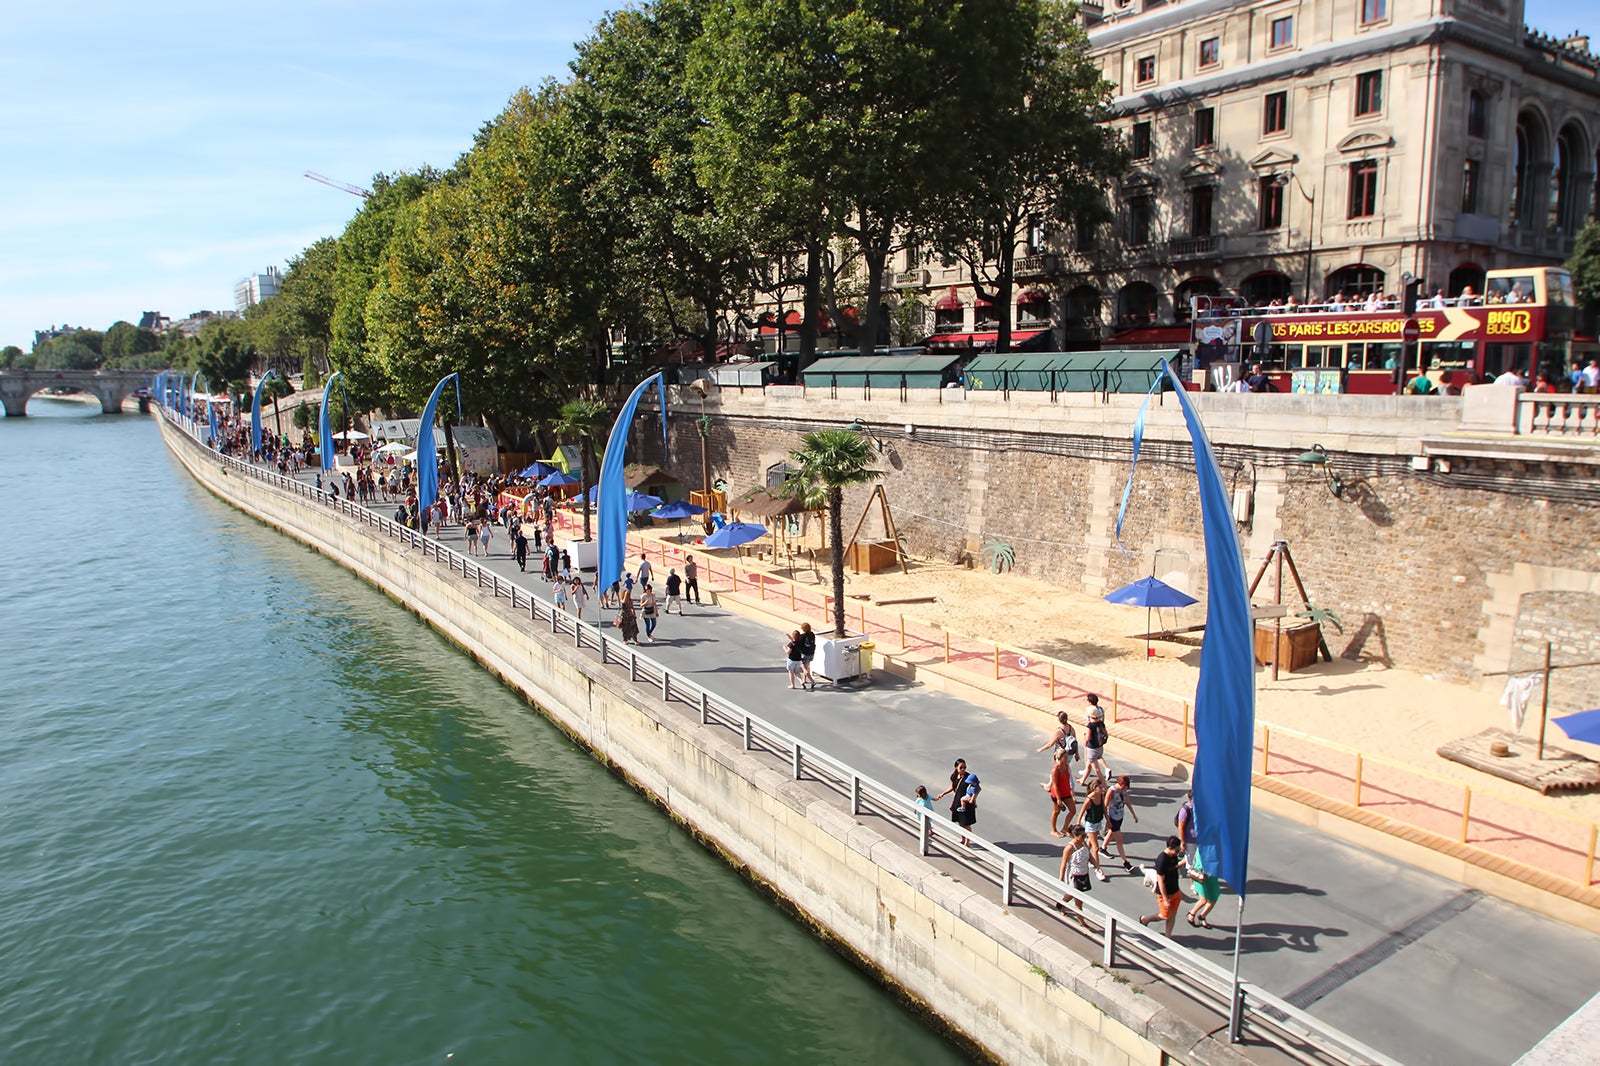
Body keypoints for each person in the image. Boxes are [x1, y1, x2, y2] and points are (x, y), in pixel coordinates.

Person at [1138, 836, 1186, 936]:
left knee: (1172, 915)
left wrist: (1184, 862)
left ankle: (1168, 936)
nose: (1178, 852)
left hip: (1175, 890)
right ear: (1171, 848)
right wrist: (1165, 899)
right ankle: (1145, 919)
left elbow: (1173, 868)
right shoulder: (1162, 860)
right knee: (1165, 915)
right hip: (1166, 894)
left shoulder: (1173, 856)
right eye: (1177, 850)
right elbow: (1161, 881)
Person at [1056, 825, 1097, 928]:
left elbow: (1090, 856)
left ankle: (1060, 904)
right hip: (1074, 876)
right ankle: (1082, 922)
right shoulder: (1070, 848)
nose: (1085, 838)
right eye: (1083, 836)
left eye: (1085, 835)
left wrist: (1097, 866)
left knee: (1071, 893)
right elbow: (1064, 863)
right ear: (1076, 836)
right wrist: (1060, 878)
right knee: (1079, 901)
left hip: (1083, 874)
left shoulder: (1084, 844)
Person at [934, 758, 979, 847]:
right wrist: (943, 793)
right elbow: (953, 787)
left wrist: (973, 798)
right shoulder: (954, 776)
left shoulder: (968, 777)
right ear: (956, 767)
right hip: (957, 802)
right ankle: (963, 839)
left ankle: (967, 842)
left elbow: (977, 789)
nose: (963, 769)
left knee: (966, 823)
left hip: (966, 804)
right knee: (960, 822)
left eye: (964, 767)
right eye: (961, 767)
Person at [1104, 774, 1139, 871]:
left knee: (1112, 833)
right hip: (1112, 817)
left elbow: (1127, 801)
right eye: (1124, 786)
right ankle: (1125, 862)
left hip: (1120, 816)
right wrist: (1107, 820)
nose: (1125, 788)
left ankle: (1103, 848)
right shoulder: (1112, 791)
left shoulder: (1123, 790)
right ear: (1120, 784)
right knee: (1120, 840)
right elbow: (1105, 805)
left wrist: (1133, 814)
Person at [1044, 745, 1076, 837]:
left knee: (1073, 810)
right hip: (1057, 793)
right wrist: (1058, 799)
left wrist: (1071, 791)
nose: (1066, 758)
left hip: (1066, 792)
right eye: (1064, 757)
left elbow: (1067, 779)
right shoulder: (1055, 770)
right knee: (1056, 811)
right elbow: (1055, 785)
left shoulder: (1066, 766)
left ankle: (1065, 827)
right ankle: (1053, 830)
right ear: (1060, 758)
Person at [1080, 780, 1109, 881]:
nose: (1102, 789)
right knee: (1096, 848)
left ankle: (1083, 856)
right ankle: (1098, 869)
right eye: (1100, 788)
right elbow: (1081, 812)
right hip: (1090, 824)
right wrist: (1079, 824)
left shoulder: (1101, 796)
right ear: (1095, 788)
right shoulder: (1089, 799)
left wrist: (1108, 821)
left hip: (1098, 822)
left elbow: (1104, 809)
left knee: (1090, 843)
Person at [1079, 698, 1110, 787]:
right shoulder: (1101, 723)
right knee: (1089, 763)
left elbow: (1088, 738)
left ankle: (1105, 786)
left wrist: (1085, 739)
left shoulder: (1090, 726)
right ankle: (1082, 780)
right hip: (1100, 747)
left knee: (1096, 769)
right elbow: (1106, 734)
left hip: (1092, 748)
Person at [1187, 852, 1221, 929]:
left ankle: (1202, 916)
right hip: (1200, 876)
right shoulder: (1202, 849)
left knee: (1213, 897)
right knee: (1203, 900)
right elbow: (1199, 863)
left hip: (1211, 876)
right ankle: (1191, 914)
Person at [1175, 790, 1198, 872]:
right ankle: (1193, 884)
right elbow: (1181, 827)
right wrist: (1183, 842)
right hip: (1189, 841)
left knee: (1197, 861)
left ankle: (1176, 866)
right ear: (1190, 799)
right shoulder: (1186, 810)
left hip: (1200, 840)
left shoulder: (1201, 808)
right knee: (1191, 865)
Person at [797, 622, 817, 690]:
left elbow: (799, 644)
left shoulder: (802, 636)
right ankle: (804, 680)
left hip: (804, 654)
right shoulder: (812, 634)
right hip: (811, 653)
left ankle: (812, 681)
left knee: (804, 668)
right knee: (807, 666)